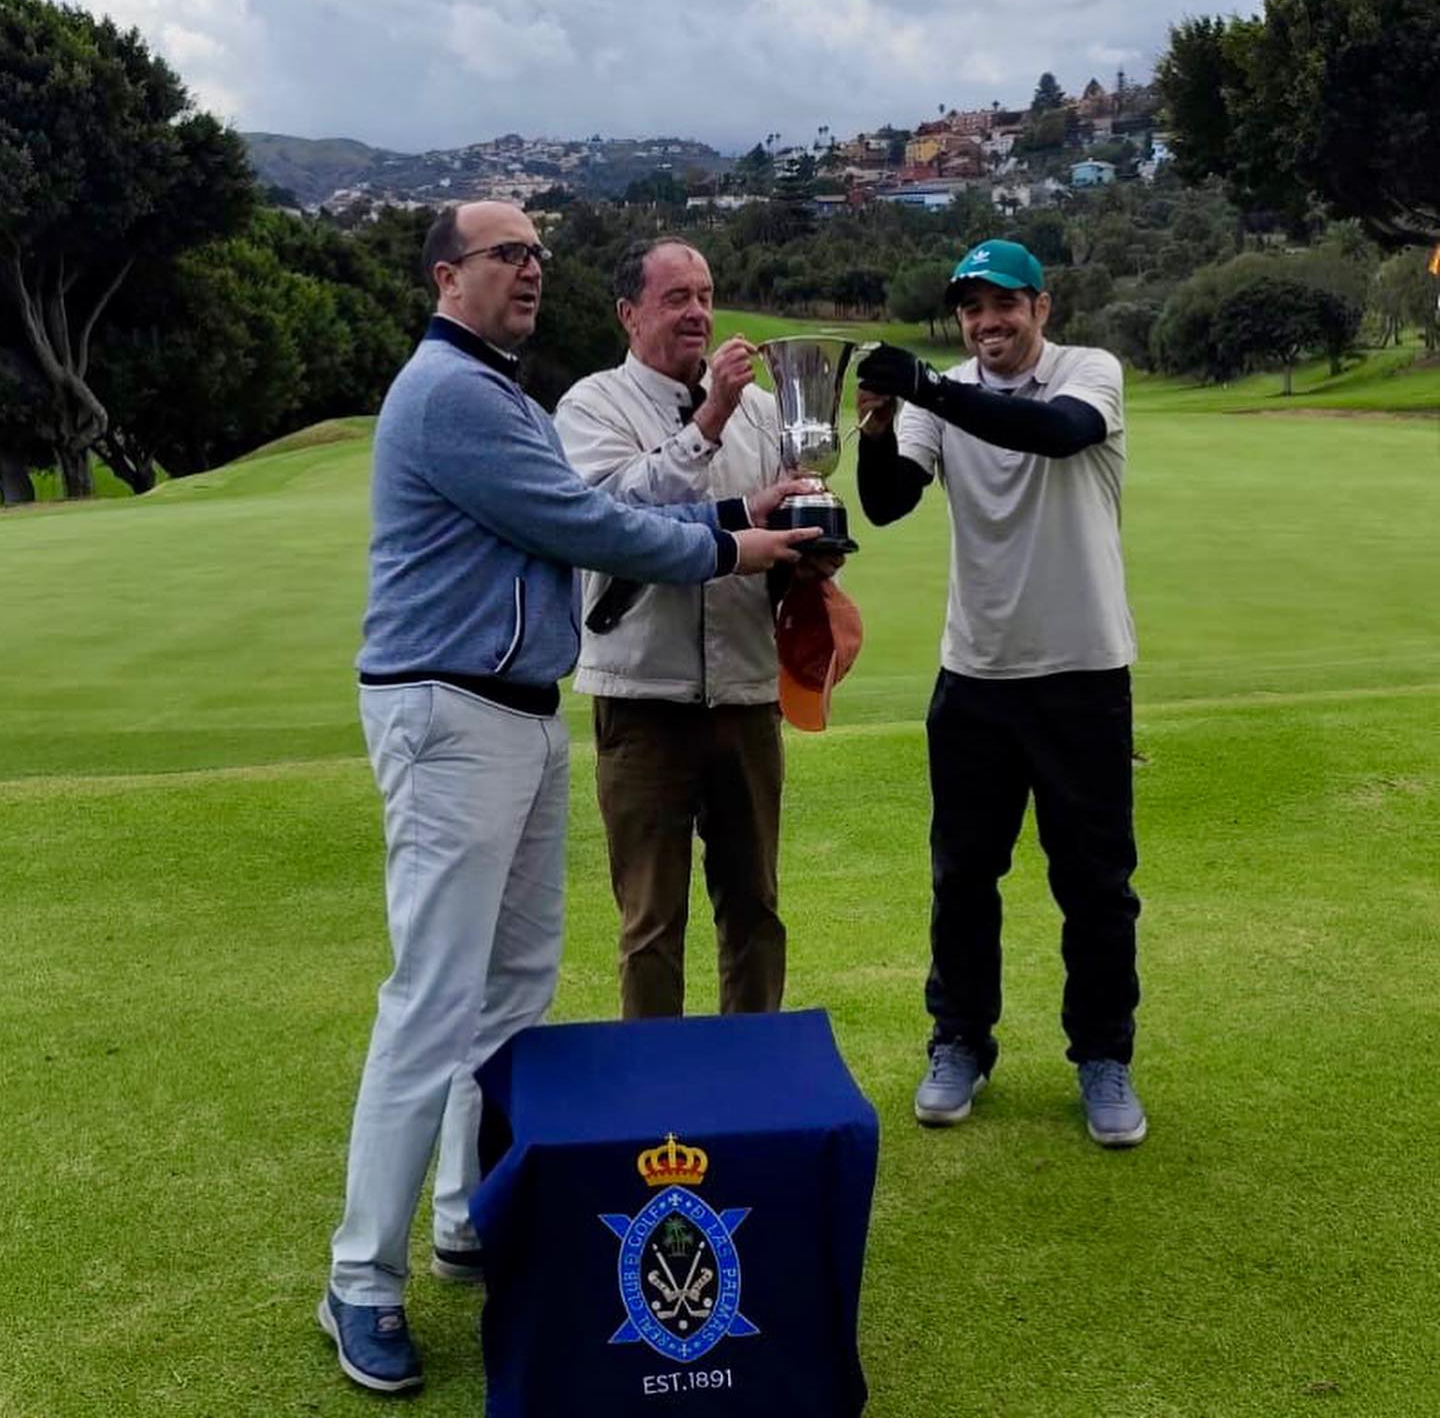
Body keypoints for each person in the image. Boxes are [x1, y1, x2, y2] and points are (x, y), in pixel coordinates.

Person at [321, 202, 818, 1394]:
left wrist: (727, 514)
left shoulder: (498, 390)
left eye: (538, 254)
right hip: (451, 711)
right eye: (507, 254)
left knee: (511, 992)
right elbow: (582, 523)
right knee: (433, 1001)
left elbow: (608, 512)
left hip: (516, 712)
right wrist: (729, 548)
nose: (531, 269)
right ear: (448, 278)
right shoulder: (452, 393)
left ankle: (466, 1214)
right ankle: (360, 1280)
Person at [854, 238, 1145, 1149]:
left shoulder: (1089, 372)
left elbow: (1055, 433)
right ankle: (960, 1041)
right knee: (963, 879)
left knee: (1095, 885)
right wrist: (877, 427)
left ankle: (1103, 1055)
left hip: (1082, 672)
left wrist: (927, 390)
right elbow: (888, 502)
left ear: (1041, 308)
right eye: (973, 309)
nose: (988, 323)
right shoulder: (940, 395)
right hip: (975, 676)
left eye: (1005, 305)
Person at [554, 237, 842, 1020]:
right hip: (642, 694)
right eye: (676, 297)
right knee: (652, 922)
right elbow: (615, 516)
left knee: (755, 910)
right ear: (629, 313)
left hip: (746, 692)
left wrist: (808, 558)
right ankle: (658, 1082)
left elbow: (785, 522)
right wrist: (710, 416)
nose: (698, 313)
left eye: (706, 296)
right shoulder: (592, 406)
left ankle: (749, 1073)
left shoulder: (767, 413)